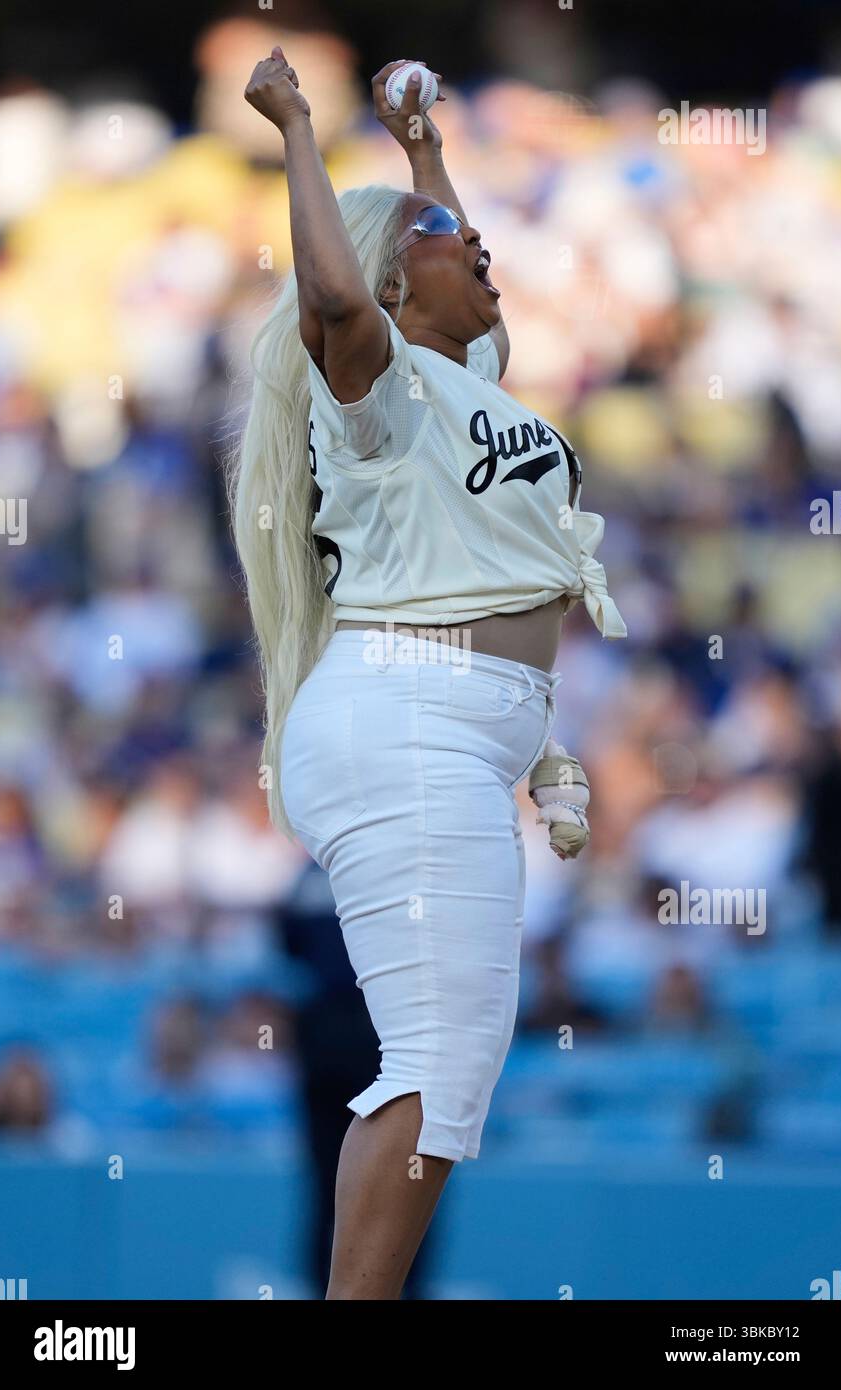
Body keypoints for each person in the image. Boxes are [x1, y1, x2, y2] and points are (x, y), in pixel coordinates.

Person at [231, 47, 626, 1299]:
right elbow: (342, 305)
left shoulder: (465, 381)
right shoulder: (380, 391)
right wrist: (298, 128)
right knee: (438, 1062)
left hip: (444, 725)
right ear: (396, 280)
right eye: (445, 236)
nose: (478, 246)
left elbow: (472, 299)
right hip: (407, 715)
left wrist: (421, 152)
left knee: (447, 1062)